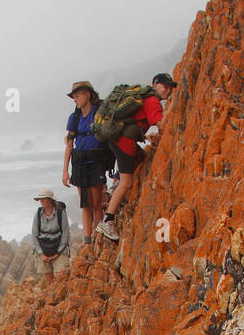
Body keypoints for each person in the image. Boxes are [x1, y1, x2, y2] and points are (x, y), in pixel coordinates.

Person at [96, 73, 177, 242]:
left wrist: (146, 136)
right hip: (125, 142)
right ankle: (108, 220)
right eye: (165, 86)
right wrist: (172, 111)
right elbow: (161, 124)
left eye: (170, 88)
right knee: (128, 182)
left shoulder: (144, 98)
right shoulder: (153, 100)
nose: (168, 91)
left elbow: (136, 121)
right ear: (155, 84)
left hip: (118, 139)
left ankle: (115, 186)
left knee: (141, 157)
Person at [62, 82, 113, 242]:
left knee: (97, 203)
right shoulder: (74, 118)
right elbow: (70, 144)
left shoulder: (98, 113)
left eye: (78, 95)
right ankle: (87, 240)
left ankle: (98, 236)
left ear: (88, 95)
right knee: (85, 204)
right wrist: (65, 171)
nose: (75, 99)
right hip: (79, 163)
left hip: (95, 162)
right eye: (74, 96)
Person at [31, 189, 71, 284]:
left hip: (59, 251)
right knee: (50, 283)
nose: (41, 201)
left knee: (61, 280)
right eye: (40, 199)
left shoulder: (61, 213)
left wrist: (57, 253)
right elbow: (34, 235)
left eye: (43, 199)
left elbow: (66, 234)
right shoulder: (38, 213)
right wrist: (41, 254)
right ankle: (52, 298)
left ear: (50, 200)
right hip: (43, 251)